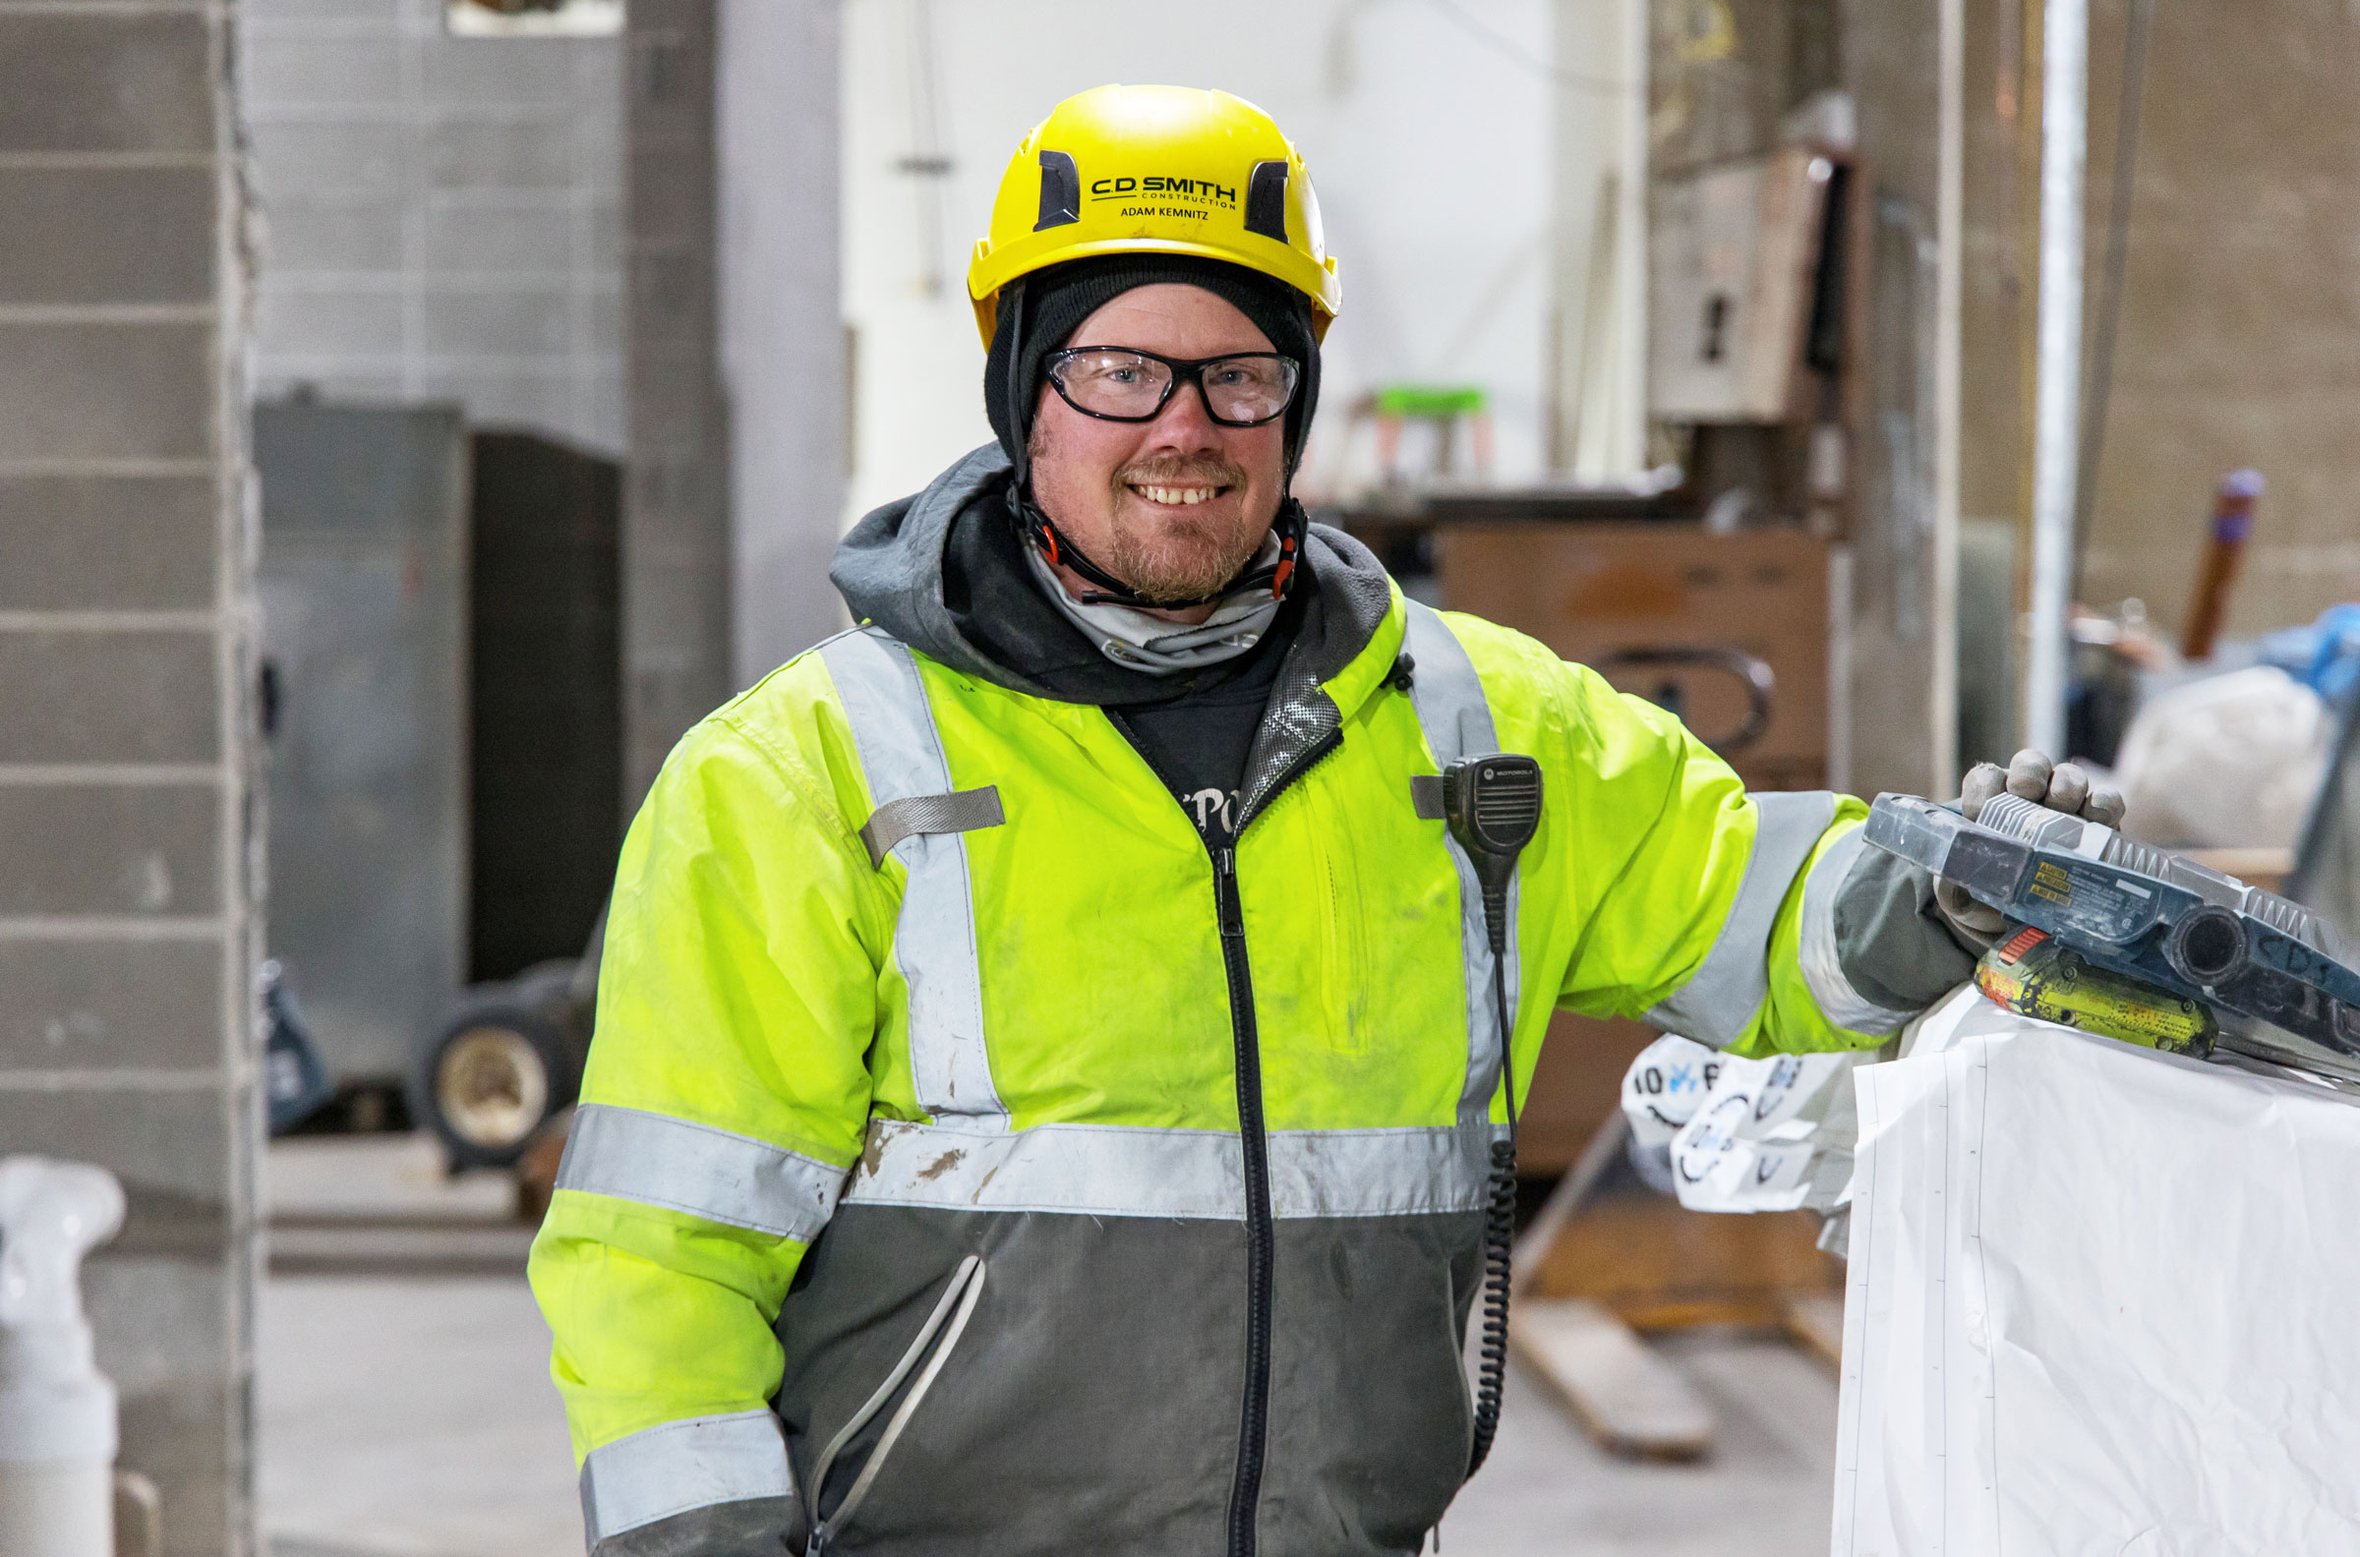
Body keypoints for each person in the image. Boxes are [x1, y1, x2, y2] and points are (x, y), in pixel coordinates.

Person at [528, 84, 2120, 1557]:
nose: (1183, 427)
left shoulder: (1473, 723)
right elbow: (659, 1258)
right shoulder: (799, 776)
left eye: (1239, 370)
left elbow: (1745, 906)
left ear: (1295, 397)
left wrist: (1940, 888)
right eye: (1116, 368)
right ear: (1025, 390)